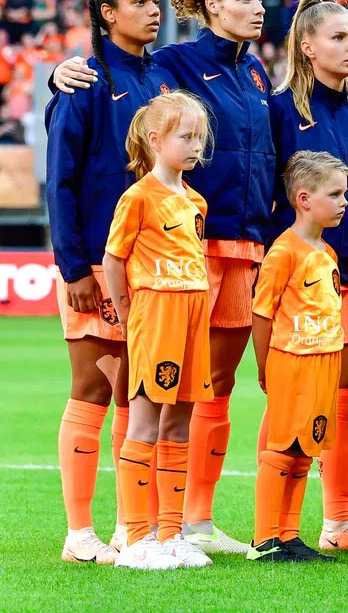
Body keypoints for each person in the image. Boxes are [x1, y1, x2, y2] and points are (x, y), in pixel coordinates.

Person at [45, 0, 166, 562]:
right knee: (93, 387)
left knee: (134, 395)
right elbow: (60, 182)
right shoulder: (83, 83)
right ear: (107, 14)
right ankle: (78, 533)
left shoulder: (161, 77)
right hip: (96, 262)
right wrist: (74, 269)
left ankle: (127, 528)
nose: (154, 9)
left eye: (157, 0)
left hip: (150, 268)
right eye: (139, 1)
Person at [266, 0, 348, 552]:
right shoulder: (280, 110)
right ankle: (266, 528)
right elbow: (269, 195)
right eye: (339, 37)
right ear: (306, 47)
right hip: (300, 279)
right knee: (291, 399)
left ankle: (337, 522)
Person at [104, 91, 214, 570]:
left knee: (181, 422)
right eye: (185, 136)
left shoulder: (195, 200)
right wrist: (129, 314)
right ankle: (133, 536)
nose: (195, 146)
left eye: (200, 138)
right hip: (156, 311)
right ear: (155, 139)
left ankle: (171, 533)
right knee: (147, 421)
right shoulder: (138, 196)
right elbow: (114, 258)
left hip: (193, 312)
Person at [248, 151, 348, 563]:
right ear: (304, 199)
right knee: (281, 446)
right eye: (336, 193)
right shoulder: (283, 252)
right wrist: (264, 364)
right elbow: (261, 312)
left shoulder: (327, 253)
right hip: (292, 360)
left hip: (325, 359)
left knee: (306, 447)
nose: (345, 202)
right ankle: (263, 538)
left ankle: (289, 535)